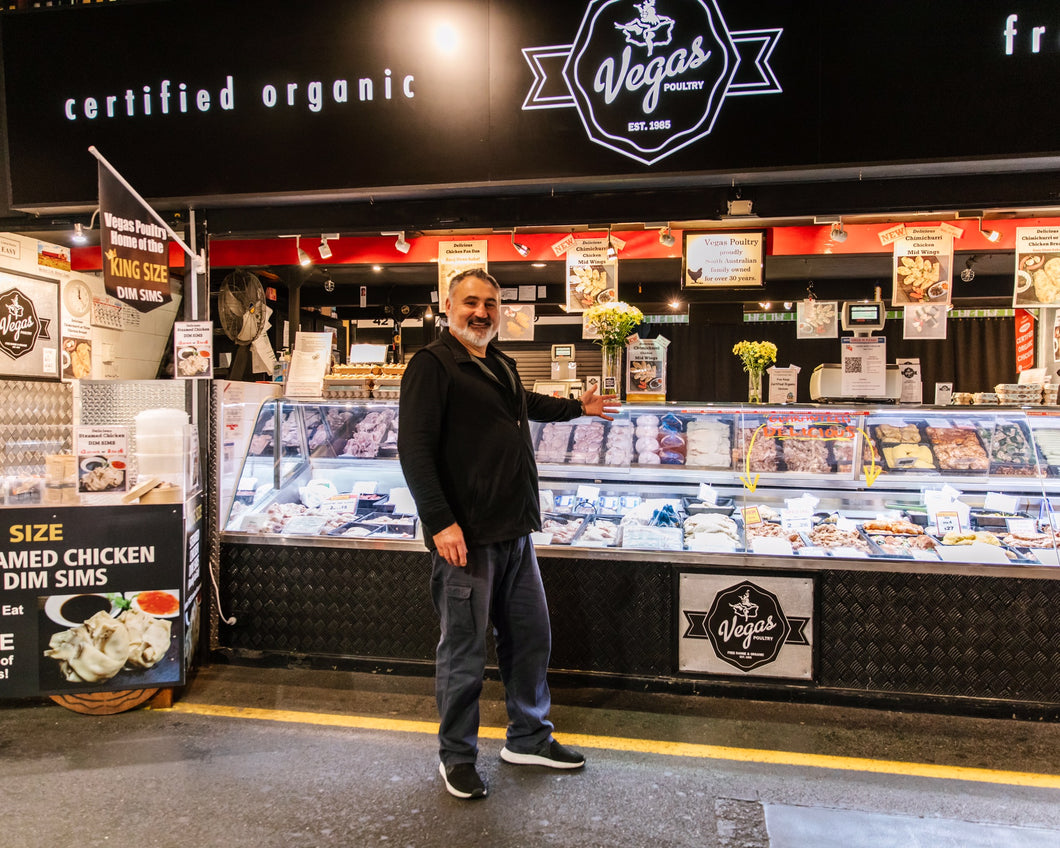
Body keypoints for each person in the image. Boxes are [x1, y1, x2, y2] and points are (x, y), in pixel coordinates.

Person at [397, 268, 619, 800]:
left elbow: (526, 406)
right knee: (465, 653)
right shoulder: (432, 366)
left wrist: (578, 410)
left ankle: (529, 737)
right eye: (471, 302)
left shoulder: (499, 362)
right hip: (467, 538)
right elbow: (415, 450)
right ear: (447, 308)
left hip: (515, 531)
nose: (482, 312)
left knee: (529, 640)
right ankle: (456, 756)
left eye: (491, 304)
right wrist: (440, 523)